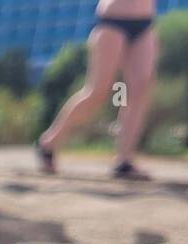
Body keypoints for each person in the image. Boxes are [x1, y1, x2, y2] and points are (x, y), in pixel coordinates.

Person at [37, 0, 159, 180]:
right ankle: (48, 142)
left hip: (144, 22)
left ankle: (124, 161)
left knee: (140, 88)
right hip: (113, 20)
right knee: (98, 92)